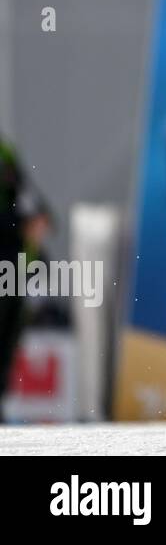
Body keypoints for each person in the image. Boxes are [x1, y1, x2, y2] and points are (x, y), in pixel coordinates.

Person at [0, 133, 51, 423]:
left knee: (8, 340)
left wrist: (40, 218)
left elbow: (33, 202)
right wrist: (21, 224)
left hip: (15, 268)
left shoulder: (5, 151)